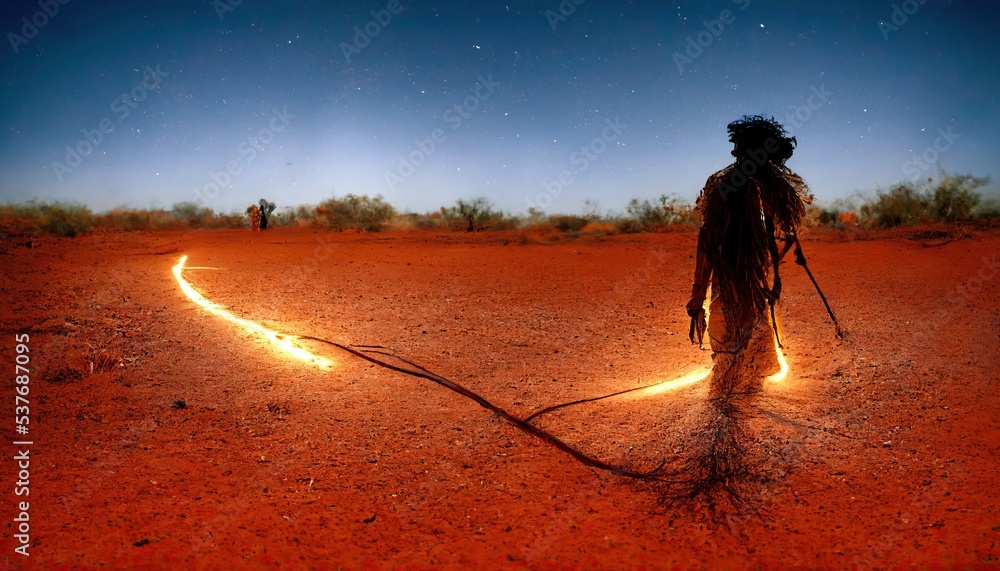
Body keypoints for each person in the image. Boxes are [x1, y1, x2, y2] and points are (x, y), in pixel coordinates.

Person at [686, 115, 813, 396]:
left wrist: (698, 293)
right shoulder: (776, 186)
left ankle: (729, 389)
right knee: (750, 328)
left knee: (734, 330)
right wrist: (770, 271)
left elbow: (708, 239)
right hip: (756, 276)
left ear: (754, 150)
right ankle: (740, 382)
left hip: (737, 274)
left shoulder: (728, 184)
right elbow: (787, 234)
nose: (733, 152)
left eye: (739, 146)